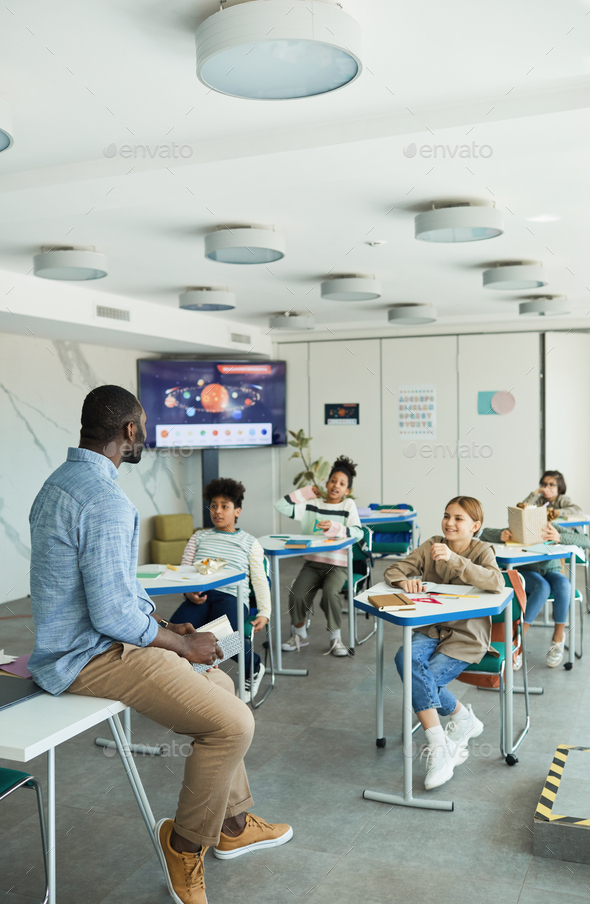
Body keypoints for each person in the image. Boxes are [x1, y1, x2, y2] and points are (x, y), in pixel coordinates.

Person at [28, 385, 292, 904]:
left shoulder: (61, 481)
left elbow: (114, 590)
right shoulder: (104, 499)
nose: (144, 433)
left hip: (100, 642)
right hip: (92, 656)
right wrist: (178, 643)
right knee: (233, 722)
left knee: (220, 682)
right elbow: (109, 613)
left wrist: (172, 631)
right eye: (143, 425)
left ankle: (234, 825)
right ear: (129, 431)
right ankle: (184, 843)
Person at [384, 496, 504, 791]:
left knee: (422, 681)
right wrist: (403, 583)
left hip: (466, 635)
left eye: (459, 519)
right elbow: (393, 571)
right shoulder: (431, 545)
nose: (449, 523)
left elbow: (495, 582)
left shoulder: (482, 549)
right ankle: (452, 731)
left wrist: (453, 559)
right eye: (447, 516)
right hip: (432, 627)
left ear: (475, 526)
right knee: (404, 658)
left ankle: (443, 744)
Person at [169, 477, 271, 702]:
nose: (217, 511)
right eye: (214, 505)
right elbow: (184, 571)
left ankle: (253, 666)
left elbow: (260, 581)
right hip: (200, 596)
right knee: (173, 635)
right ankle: (196, 678)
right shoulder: (199, 537)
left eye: (225, 506)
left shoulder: (249, 542)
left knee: (226, 638)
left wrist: (264, 612)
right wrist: (189, 592)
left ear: (237, 511)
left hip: (232, 597)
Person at [274, 456, 362, 657]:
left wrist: (335, 527)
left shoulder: (347, 506)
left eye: (341, 484)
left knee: (331, 594)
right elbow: (281, 506)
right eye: (333, 481)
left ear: (347, 491)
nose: (335, 486)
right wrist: (304, 493)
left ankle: (336, 638)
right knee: (296, 594)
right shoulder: (312, 505)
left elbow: (358, 533)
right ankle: (300, 635)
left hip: (337, 566)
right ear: (326, 482)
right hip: (313, 564)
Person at [480, 521, 590, 668]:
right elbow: (484, 533)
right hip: (527, 571)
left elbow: (585, 541)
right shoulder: (519, 527)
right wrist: (501, 535)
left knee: (564, 585)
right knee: (542, 587)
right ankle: (518, 640)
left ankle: (558, 638)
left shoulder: (551, 527)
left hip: (551, 570)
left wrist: (559, 537)